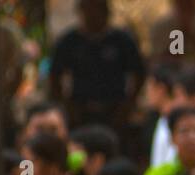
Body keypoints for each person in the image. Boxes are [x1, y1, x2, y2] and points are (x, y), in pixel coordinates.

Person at [48, 0, 144, 129]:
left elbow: (139, 73)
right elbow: (54, 76)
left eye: (98, 9)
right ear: (81, 10)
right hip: (80, 111)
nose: (94, 14)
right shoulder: (69, 42)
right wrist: (66, 107)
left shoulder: (122, 41)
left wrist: (128, 105)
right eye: (89, 9)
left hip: (114, 110)